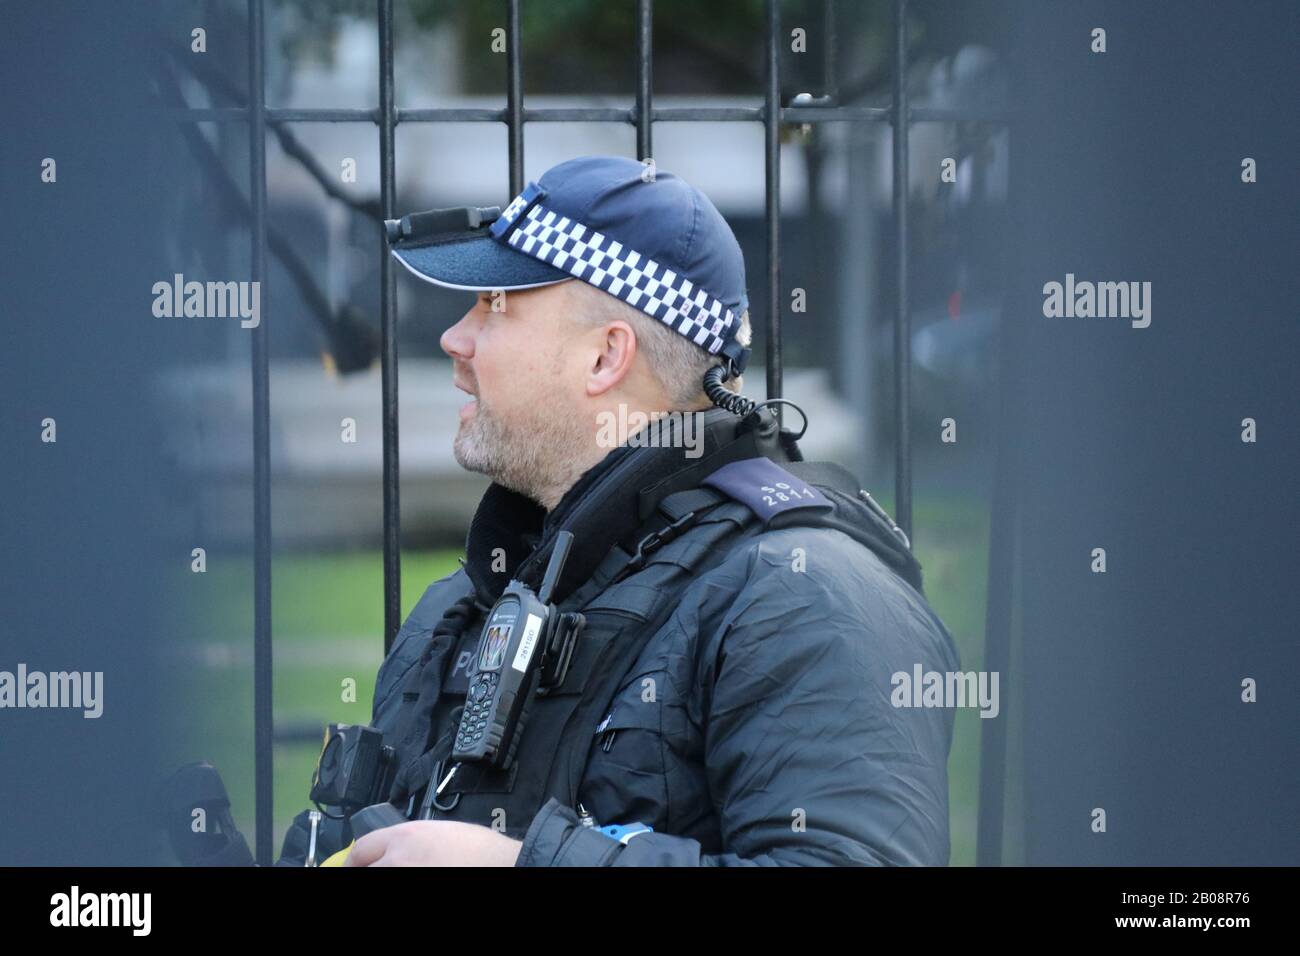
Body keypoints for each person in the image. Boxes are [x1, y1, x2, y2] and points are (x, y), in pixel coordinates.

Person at [276, 155, 961, 867]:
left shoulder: (806, 592)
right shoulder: (477, 597)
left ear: (606, 356)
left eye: (493, 306)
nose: (455, 339)